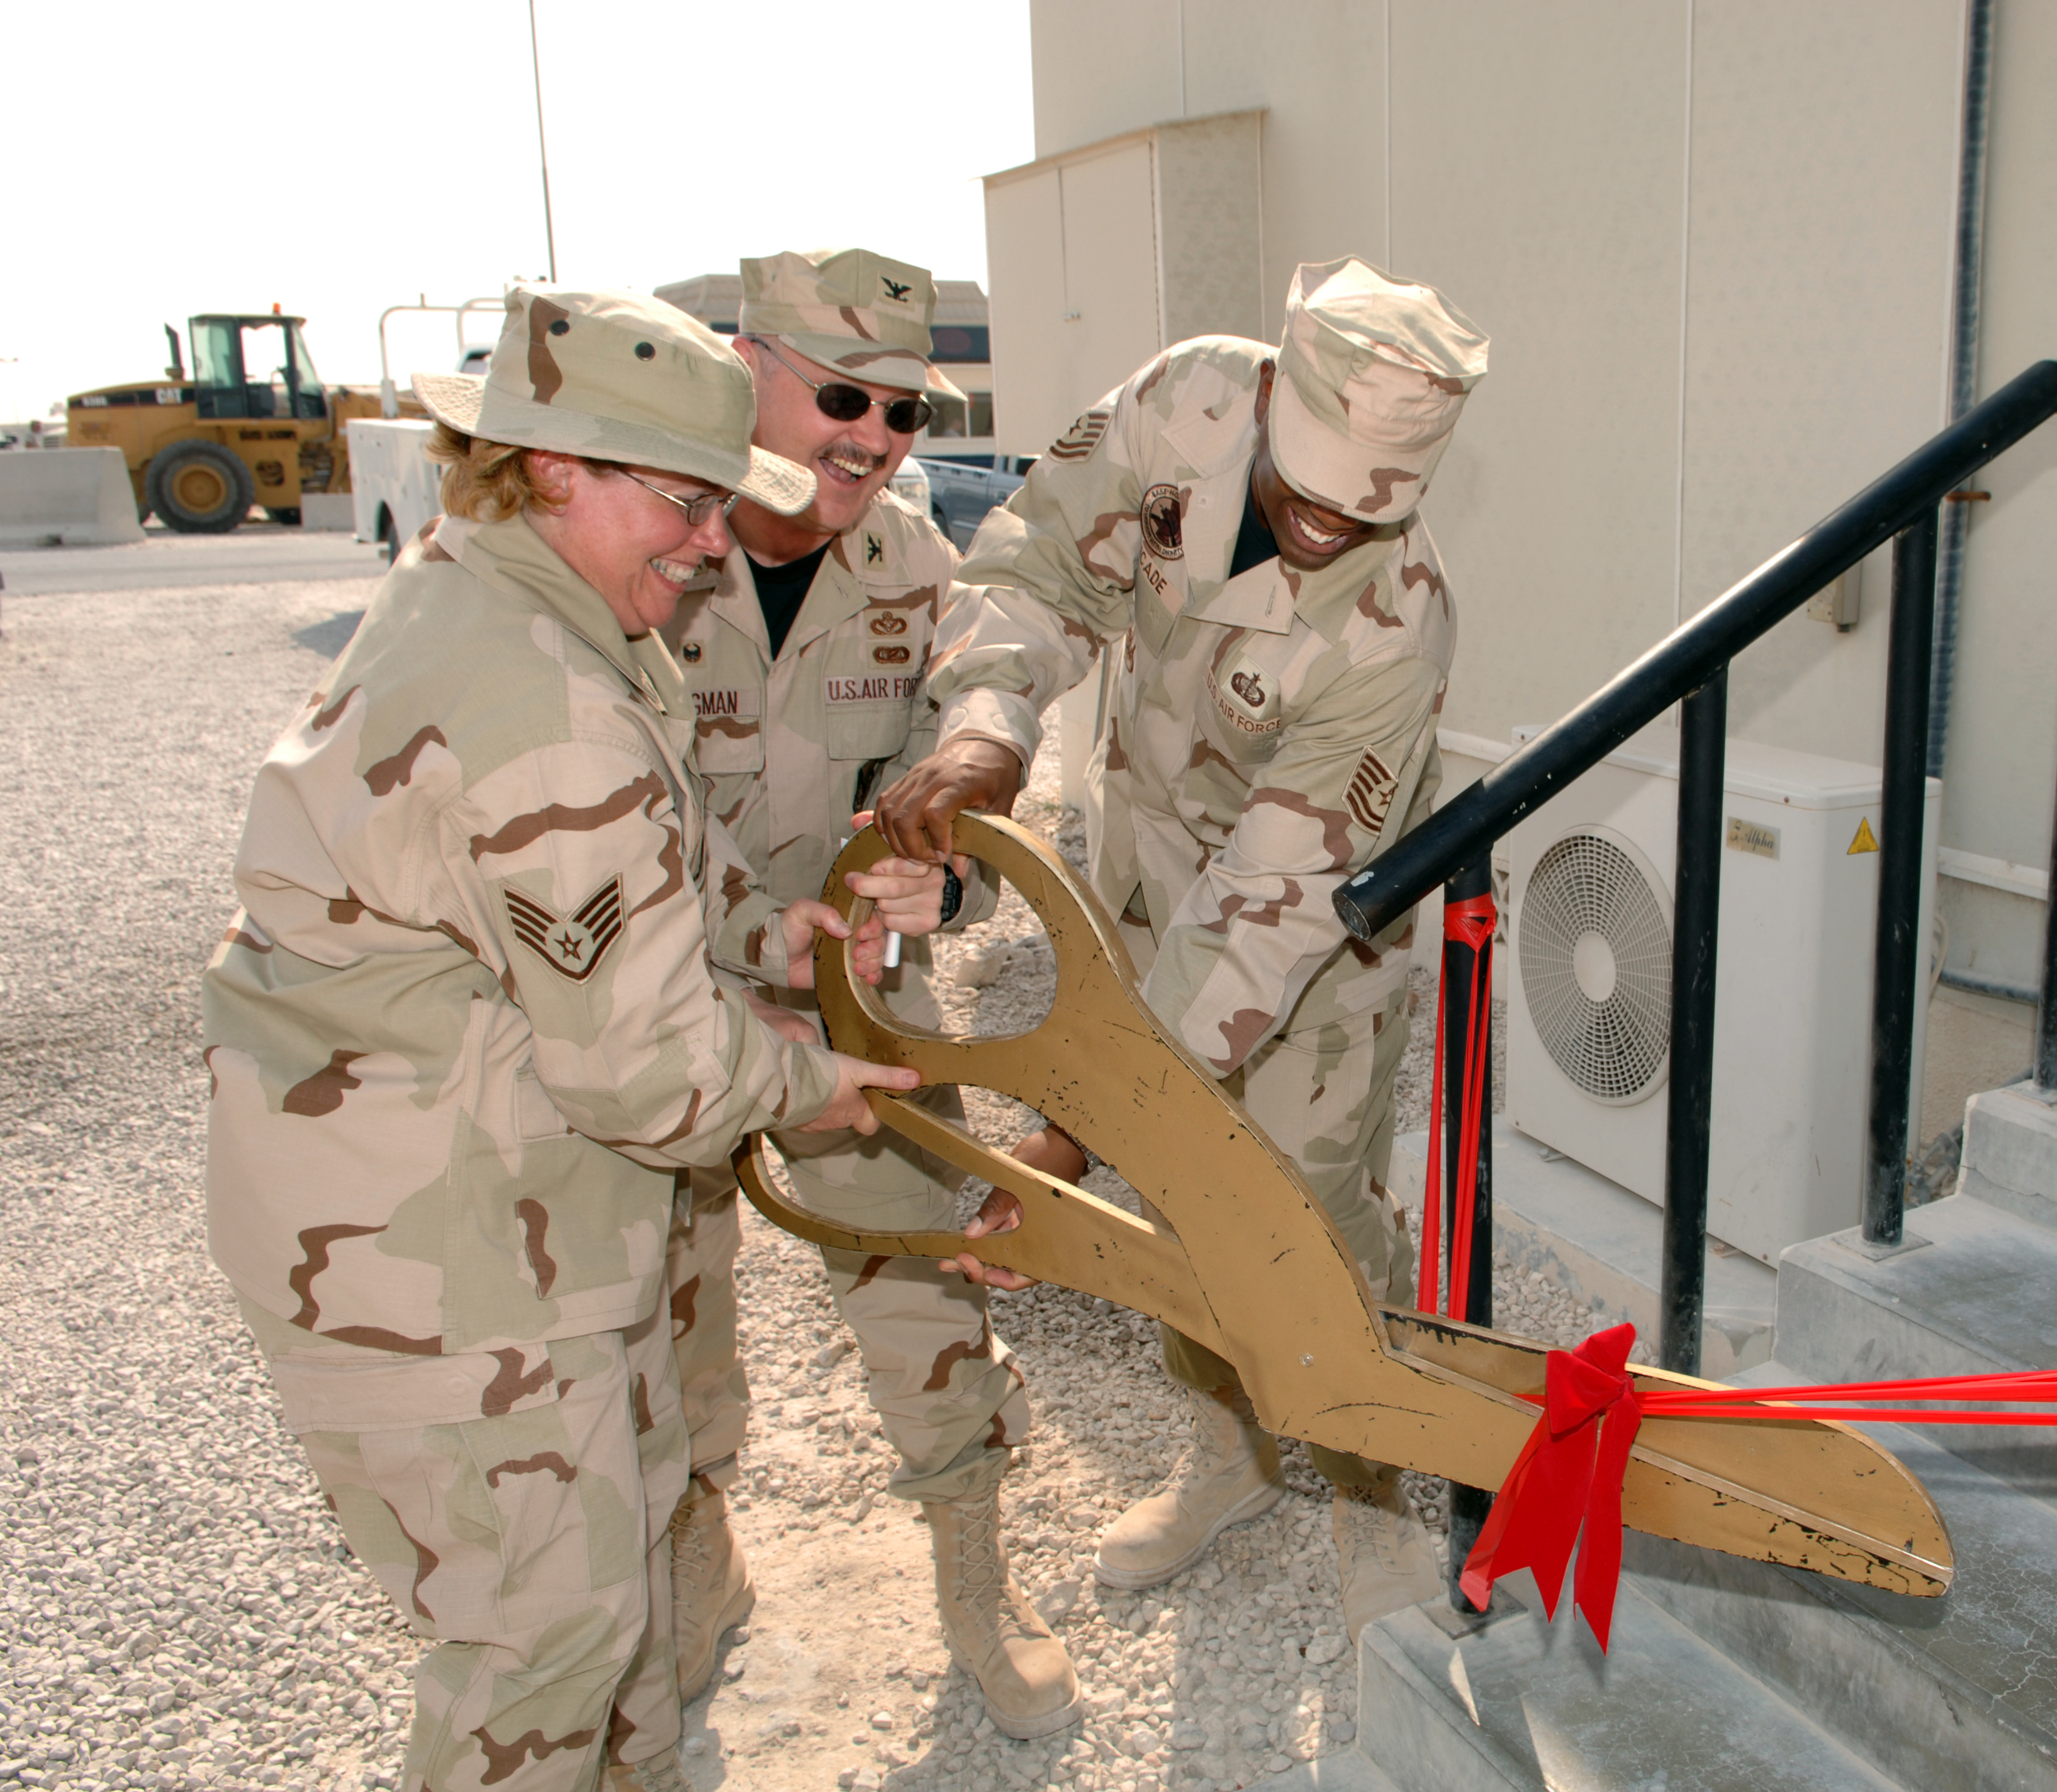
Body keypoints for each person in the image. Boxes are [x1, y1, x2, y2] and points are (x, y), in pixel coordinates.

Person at [203, 286, 929, 1792]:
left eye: (719, 505)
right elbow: (657, 1076)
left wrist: (760, 928)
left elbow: (635, 849)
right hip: (440, 1267)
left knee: (627, 1590)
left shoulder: (519, 597)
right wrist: (821, 1080)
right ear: (550, 466)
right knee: (537, 1664)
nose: (710, 541)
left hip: (517, 1214)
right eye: (680, 502)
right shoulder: (542, 690)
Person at [875, 256, 1490, 1641]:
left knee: (1302, 1208)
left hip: (1312, 927)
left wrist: (1077, 1130)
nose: (1327, 533)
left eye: (1362, 514)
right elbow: (1038, 562)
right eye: (1304, 498)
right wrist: (987, 728)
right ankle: (1229, 1454)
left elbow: (1265, 912)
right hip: (1145, 857)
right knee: (1183, 1215)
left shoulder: (1399, 624)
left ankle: (1363, 1479)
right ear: (1270, 395)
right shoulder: (1186, 403)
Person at [656, 247, 1079, 1736]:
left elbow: (944, 775)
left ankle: (976, 1576)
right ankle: (695, 1565)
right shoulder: (648, 537)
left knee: (928, 1283)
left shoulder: (908, 560)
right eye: (844, 395)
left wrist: (939, 884)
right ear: (739, 364)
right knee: (656, 1315)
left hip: (852, 994)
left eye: (905, 412)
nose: (874, 437)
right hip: (649, 1011)